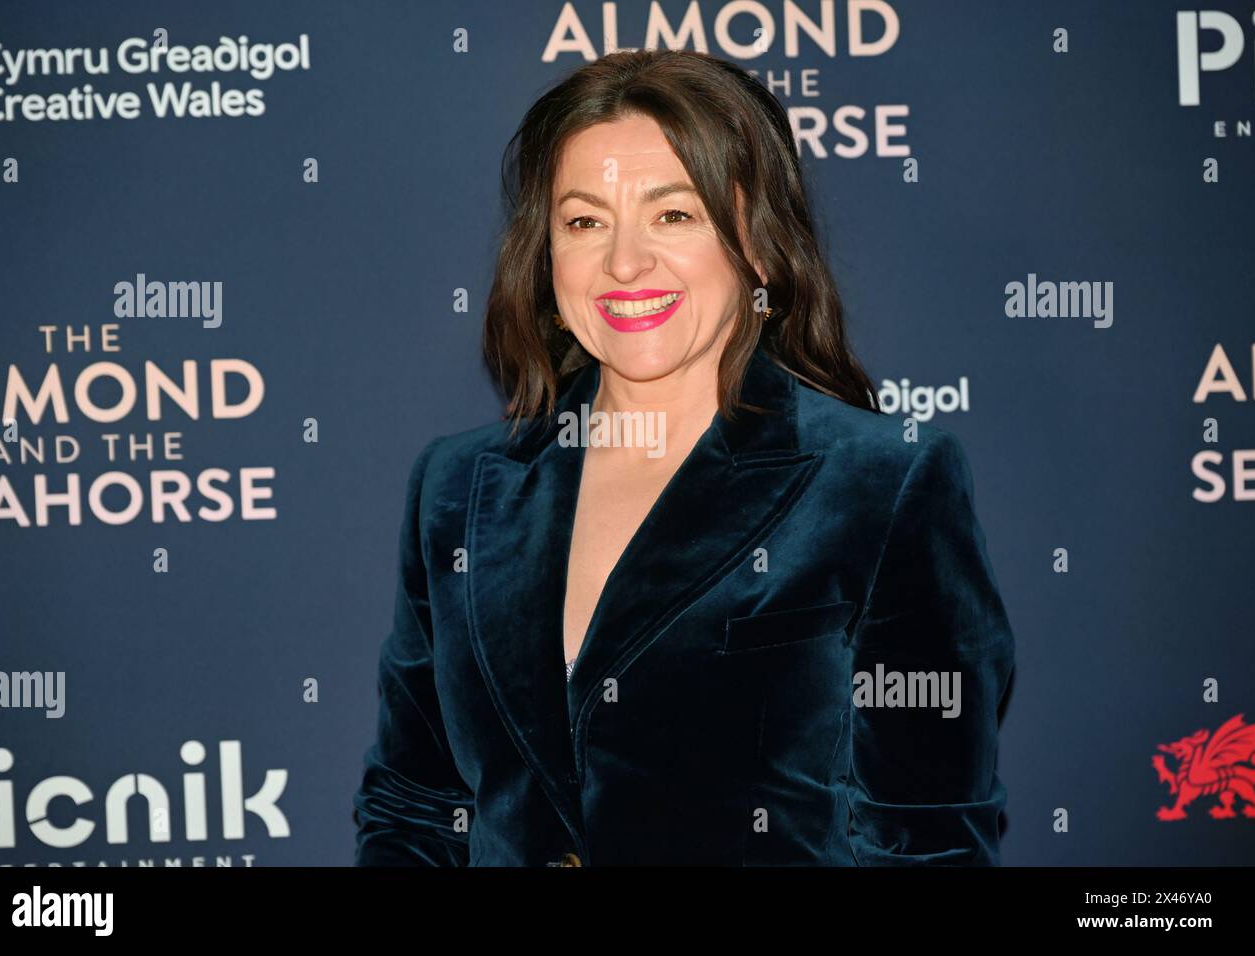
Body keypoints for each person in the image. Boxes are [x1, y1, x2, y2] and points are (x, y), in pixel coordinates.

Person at [352, 49, 1015, 866]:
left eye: (675, 215)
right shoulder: (457, 490)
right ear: (545, 255)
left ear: (761, 246)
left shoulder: (883, 485)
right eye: (584, 221)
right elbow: (416, 809)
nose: (624, 263)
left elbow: (929, 843)